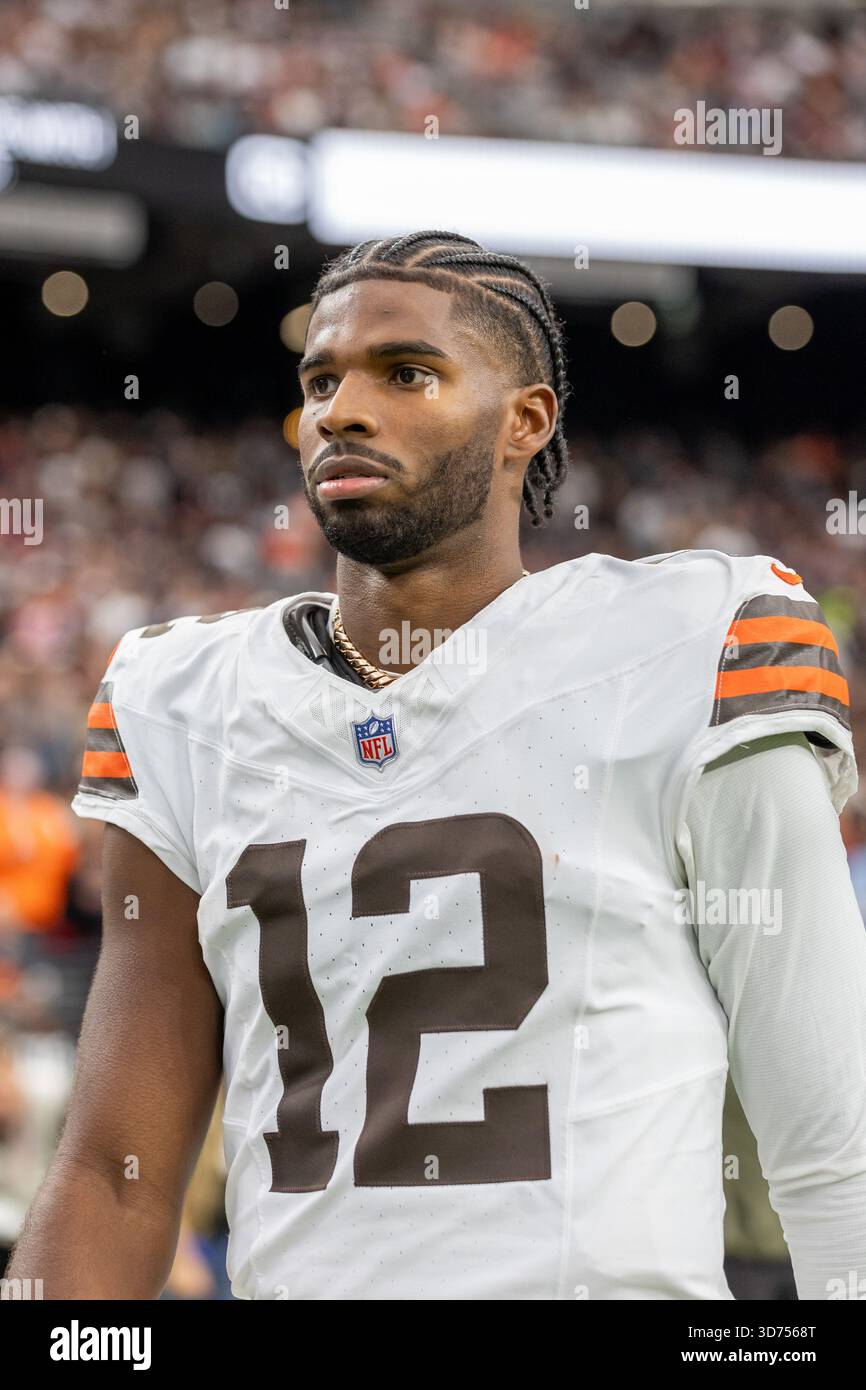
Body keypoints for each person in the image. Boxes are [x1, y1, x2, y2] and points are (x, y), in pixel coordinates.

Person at [7, 230, 866, 1300]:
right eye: (320, 379)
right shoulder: (183, 699)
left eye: (405, 372)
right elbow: (111, 1175)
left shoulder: (694, 645)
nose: (340, 410)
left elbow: (833, 1140)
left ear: (526, 421)